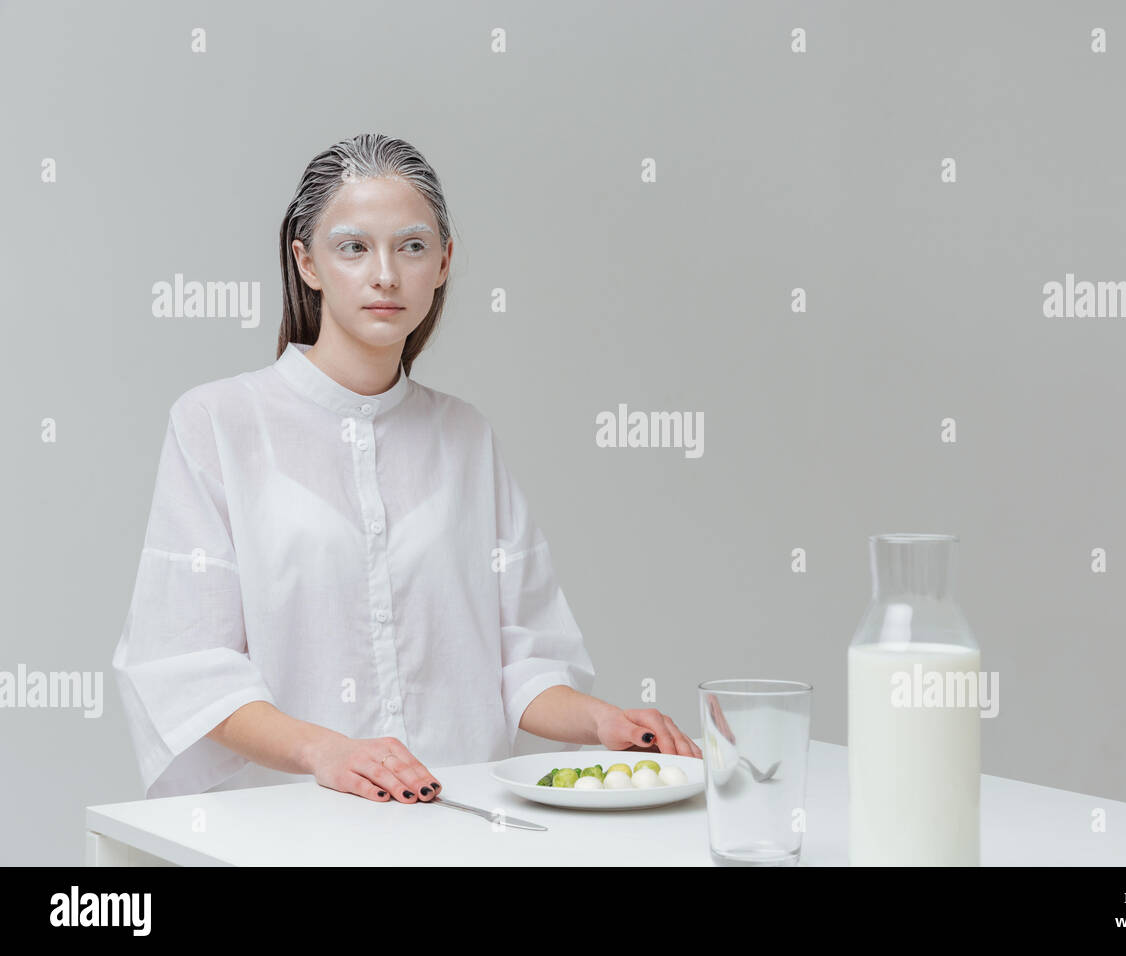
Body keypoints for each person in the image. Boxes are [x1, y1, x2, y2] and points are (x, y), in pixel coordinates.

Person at [113, 132, 701, 804]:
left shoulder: (465, 436)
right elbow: (187, 665)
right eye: (353, 247)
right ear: (307, 263)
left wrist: (602, 721)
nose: (385, 273)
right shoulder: (216, 422)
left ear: (444, 262)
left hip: (457, 824)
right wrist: (326, 752)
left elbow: (521, 658)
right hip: (289, 828)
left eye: (412, 246)